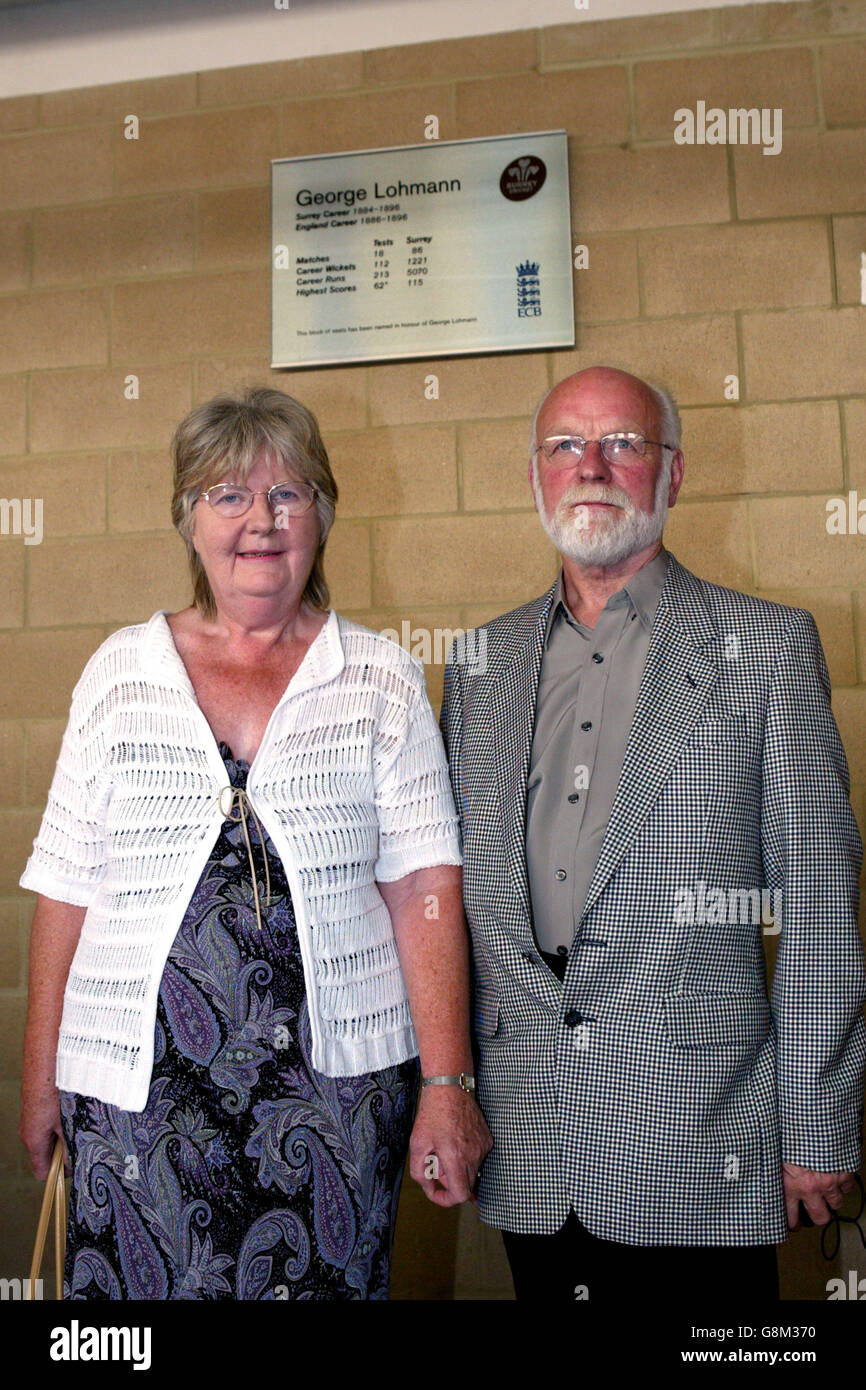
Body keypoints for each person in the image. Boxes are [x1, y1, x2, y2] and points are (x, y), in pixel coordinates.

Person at [19, 385, 491, 1300]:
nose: (261, 521)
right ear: (188, 520)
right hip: (133, 1097)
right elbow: (66, 885)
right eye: (227, 495)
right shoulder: (121, 671)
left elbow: (425, 889)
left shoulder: (381, 680)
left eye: (289, 494)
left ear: (323, 513)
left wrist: (448, 1083)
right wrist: (40, 1078)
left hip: (337, 1095)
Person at [439, 364, 866, 1303]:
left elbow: (823, 915)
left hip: (702, 1147)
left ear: (673, 474)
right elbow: (449, 909)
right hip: (533, 1148)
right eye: (564, 446)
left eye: (623, 443)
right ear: (533, 478)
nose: (591, 465)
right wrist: (451, 1090)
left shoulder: (766, 648)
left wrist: (820, 1131)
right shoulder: (474, 667)